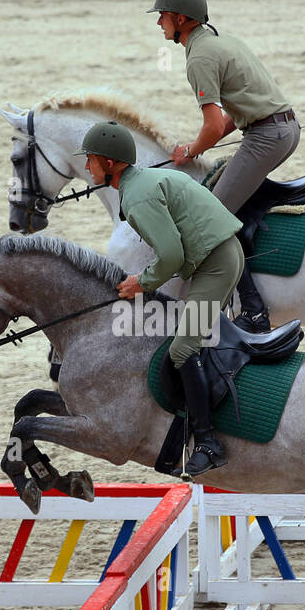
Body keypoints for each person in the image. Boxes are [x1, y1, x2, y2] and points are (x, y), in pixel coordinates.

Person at [76, 120, 244, 477]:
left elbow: (171, 257)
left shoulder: (137, 197)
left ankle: (208, 444)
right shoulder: (144, 180)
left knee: (182, 349)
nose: (86, 166)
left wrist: (142, 282)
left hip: (215, 266)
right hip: (216, 256)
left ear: (109, 163)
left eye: (90, 159)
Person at [149, 0, 298, 331]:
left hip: (266, 137)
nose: (158, 24)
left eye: (163, 17)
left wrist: (191, 150)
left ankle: (255, 311)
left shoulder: (199, 58)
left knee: (210, 221)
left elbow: (214, 127)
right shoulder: (224, 42)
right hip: (286, 129)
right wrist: (197, 145)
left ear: (182, 20)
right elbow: (237, 112)